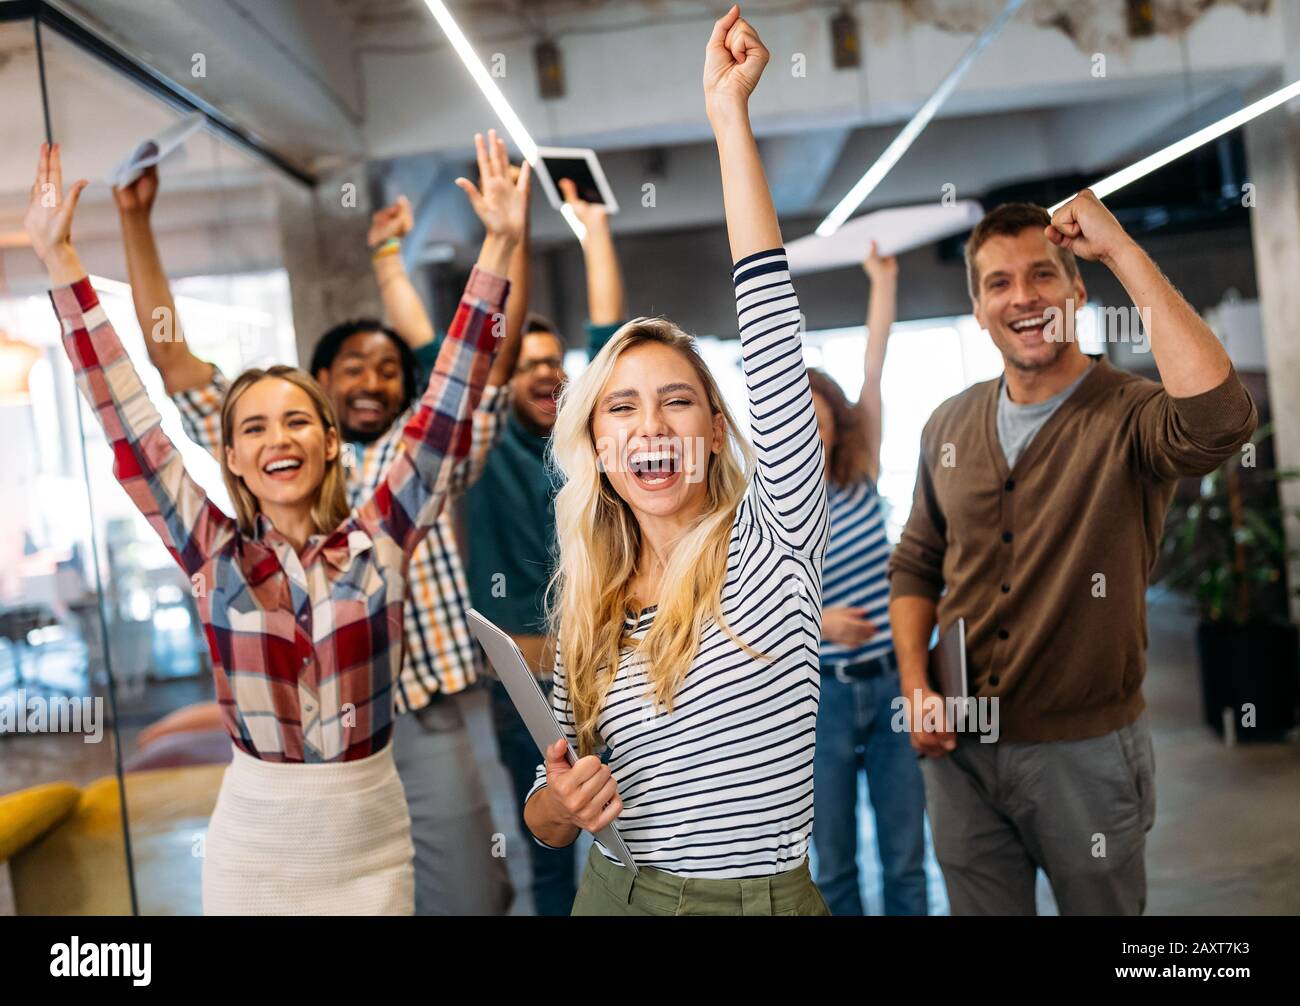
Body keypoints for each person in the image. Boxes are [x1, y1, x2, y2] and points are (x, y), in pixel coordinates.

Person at [26, 138, 528, 914]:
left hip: (369, 840)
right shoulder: (213, 553)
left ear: (331, 444)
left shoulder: (380, 537)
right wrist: (62, 267)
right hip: (255, 850)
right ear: (230, 452)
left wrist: (498, 243)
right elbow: (132, 431)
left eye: (299, 421)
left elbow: (450, 400)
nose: (278, 439)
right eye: (254, 428)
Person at [522, 5, 830, 916]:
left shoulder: (773, 545)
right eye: (621, 407)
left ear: (714, 432)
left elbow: (770, 321)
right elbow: (548, 813)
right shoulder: (589, 588)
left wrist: (729, 119)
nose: (649, 424)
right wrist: (556, 806)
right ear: (598, 448)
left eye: (677, 400)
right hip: (611, 893)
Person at [888, 197, 1258, 915]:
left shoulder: (1132, 414)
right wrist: (914, 685)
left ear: (1078, 290)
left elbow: (1221, 420)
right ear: (977, 307)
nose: (1022, 297)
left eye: (1042, 276)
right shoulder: (949, 422)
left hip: (1084, 754)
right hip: (957, 753)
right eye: (998, 283)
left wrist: (1121, 248)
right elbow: (916, 561)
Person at [464, 176, 627, 916]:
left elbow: (609, 334)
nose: (542, 370)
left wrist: (594, 229)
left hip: (605, 665)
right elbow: (487, 351)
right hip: (523, 686)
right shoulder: (486, 443)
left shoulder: (582, 443)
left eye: (551, 362)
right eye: (524, 363)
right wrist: (510, 233)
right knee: (550, 839)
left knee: (636, 826)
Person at [808, 242, 927, 916]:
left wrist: (883, 283)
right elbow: (729, 605)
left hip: (888, 684)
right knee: (835, 866)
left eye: (818, 411)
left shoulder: (859, 479)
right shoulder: (760, 511)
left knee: (906, 860)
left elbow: (873, 371)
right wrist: (816, 621)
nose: (809, 424)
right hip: (817, 698)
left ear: (832, 421)